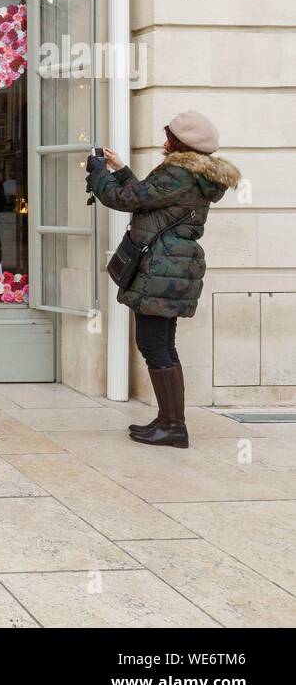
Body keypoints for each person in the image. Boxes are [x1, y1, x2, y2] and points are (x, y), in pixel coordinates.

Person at [88, 111, 240, 448]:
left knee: (154, 344)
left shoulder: (177, 172)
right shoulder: (193, 175)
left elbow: (126, 199)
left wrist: (98, 174)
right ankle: (169, 421)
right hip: (173, 266)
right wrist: (120, 170)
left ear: (179, 142)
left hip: (161, 267)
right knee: (163, 345)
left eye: (168, 135)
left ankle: (173, 426)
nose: (164, 140)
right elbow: (149, 199)